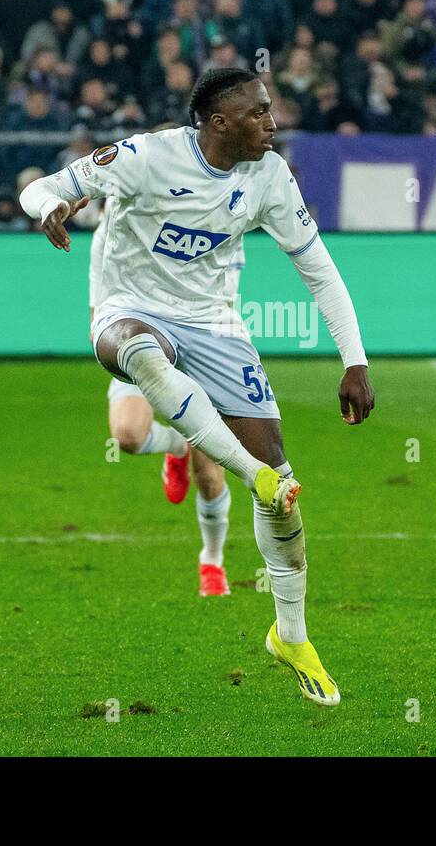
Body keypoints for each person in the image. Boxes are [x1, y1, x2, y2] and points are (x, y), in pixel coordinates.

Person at [20, 67, 375, 706]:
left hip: (215, 323)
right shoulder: (144, 157)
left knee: (283, 492)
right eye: (259, 112)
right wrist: (49, 206)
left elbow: (319, 271)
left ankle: (290, 634)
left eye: (272, 110)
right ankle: (241, 470)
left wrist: (354, 362)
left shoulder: (268, 176)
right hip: (128, 305)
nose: (273, 122)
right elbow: (42, 186)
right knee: (137, 352)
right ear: (218, 122)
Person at [85, 148, 245, 597]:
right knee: (128, 437)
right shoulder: (110, 235)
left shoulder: (214, 222)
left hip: (199, 343)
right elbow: (100, 313)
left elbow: (222, 305)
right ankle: (175, 443)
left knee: (210, 473)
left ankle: (211, 562)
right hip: (139, 342)